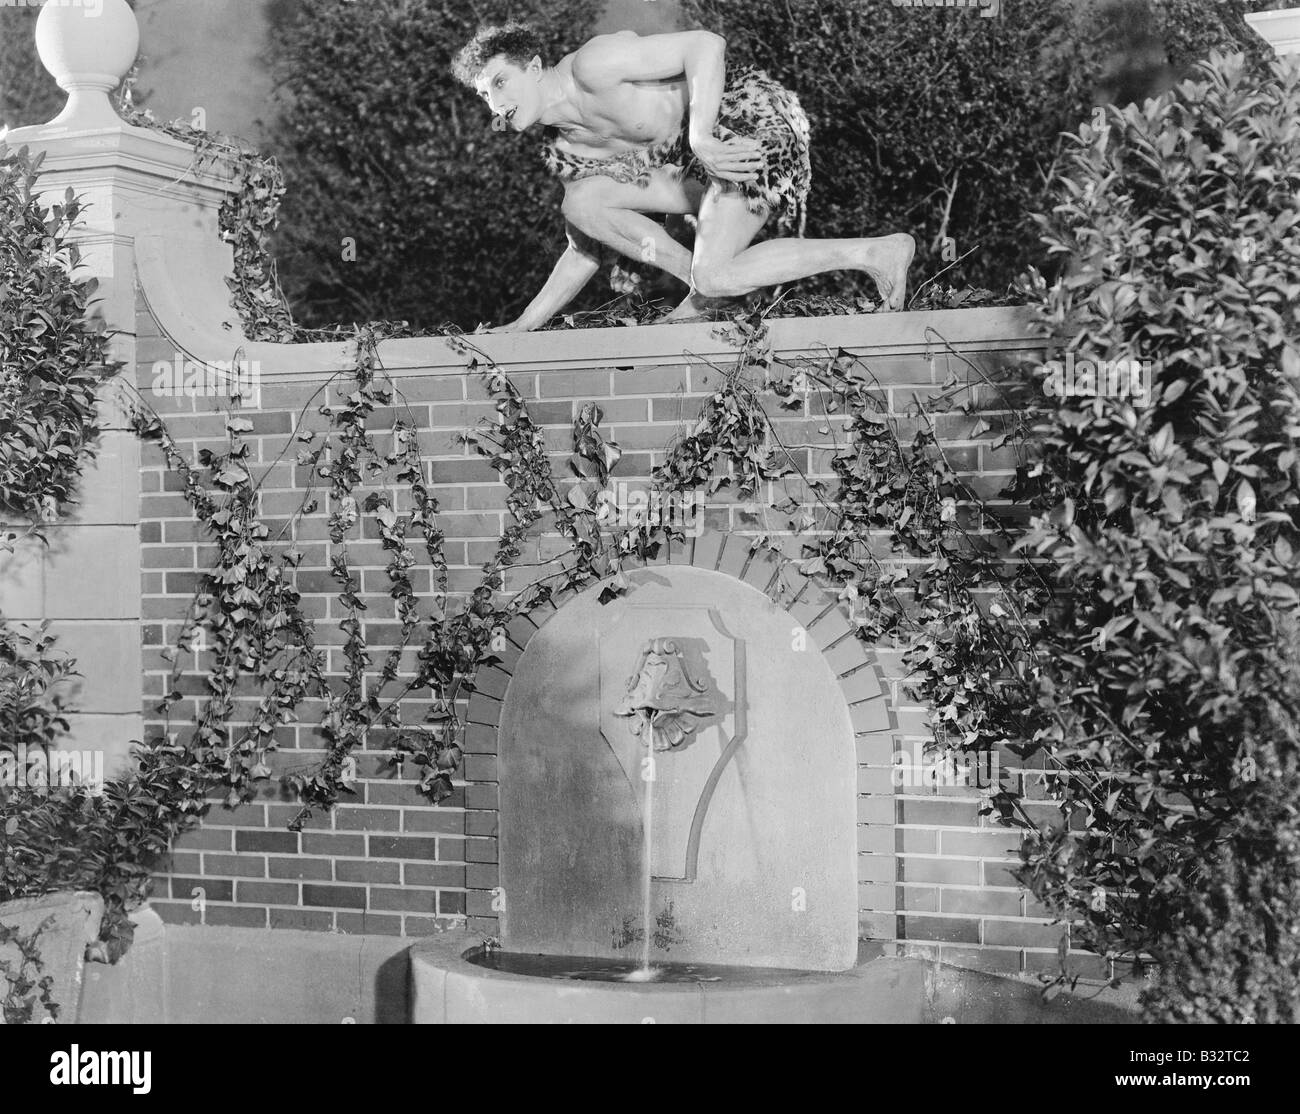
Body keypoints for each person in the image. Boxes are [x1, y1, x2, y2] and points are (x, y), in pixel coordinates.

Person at [452, 22, 915, 332]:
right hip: (700, 171)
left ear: (533, 68)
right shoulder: (570, 145)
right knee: (582, 205)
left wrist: (701, 139)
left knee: (714, 276)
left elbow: (705, 46)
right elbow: (584, 247)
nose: (495, 103)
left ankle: (876, 252)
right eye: (483, 94)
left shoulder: (592, 67)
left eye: (499, 82)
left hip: (744, 125)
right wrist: (522, 326)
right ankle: (700, 287)